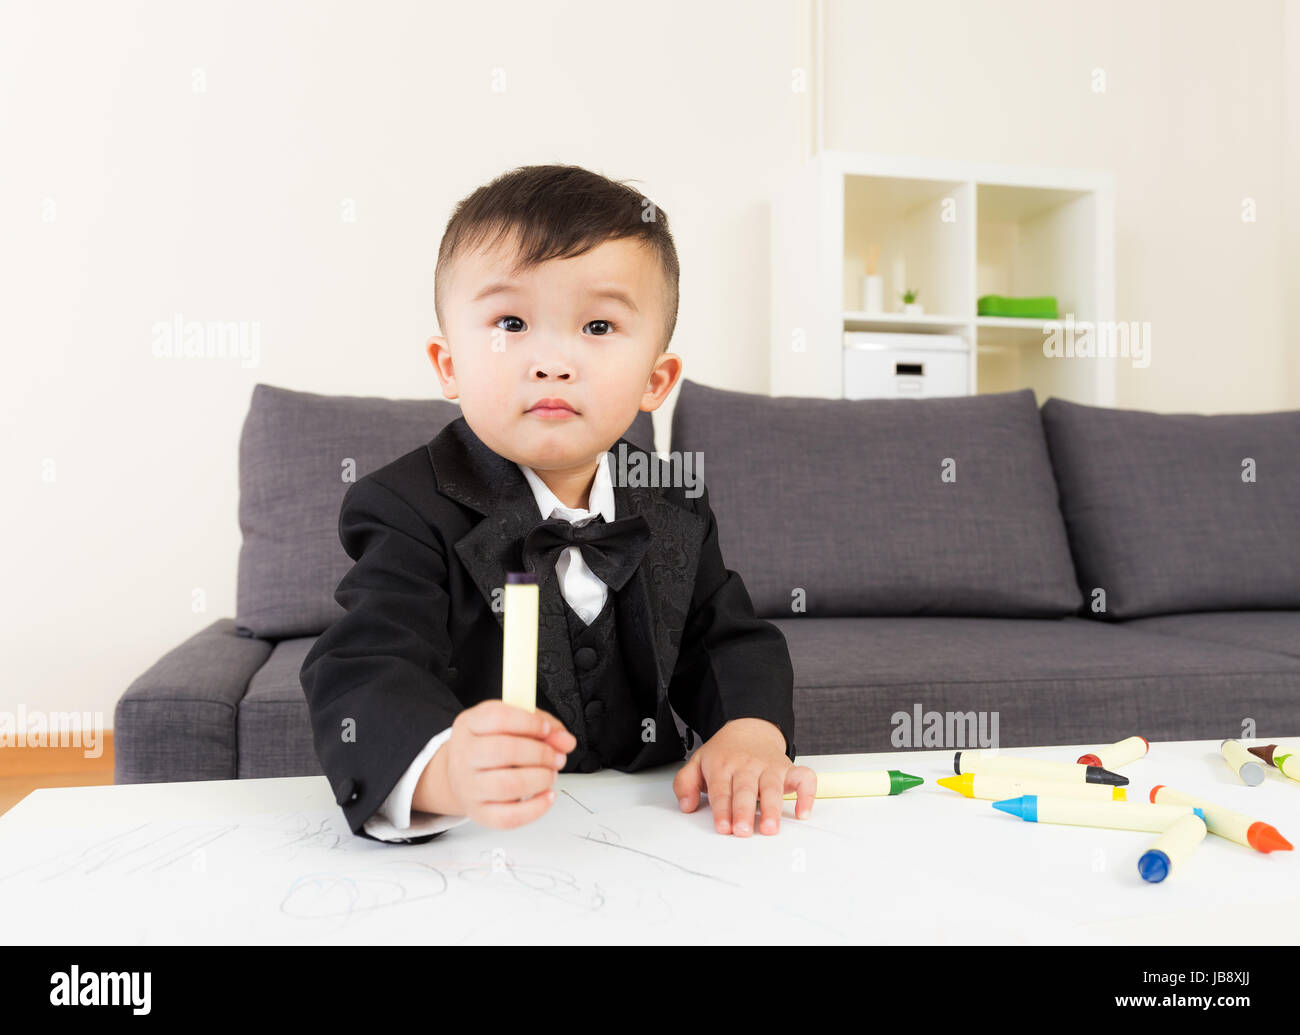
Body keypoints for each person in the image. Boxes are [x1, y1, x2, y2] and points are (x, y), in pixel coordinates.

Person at [300, 163, 815, 844]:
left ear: (655, 380)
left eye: (598, 326)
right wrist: (443, 768)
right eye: (510, 321)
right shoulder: (402, 505)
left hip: (650, 832)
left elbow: (724, 639)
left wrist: (748, 731)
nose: (551, 360)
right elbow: (367, 663)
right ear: (449, 363)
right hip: (485, 845)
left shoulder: (672, 498)